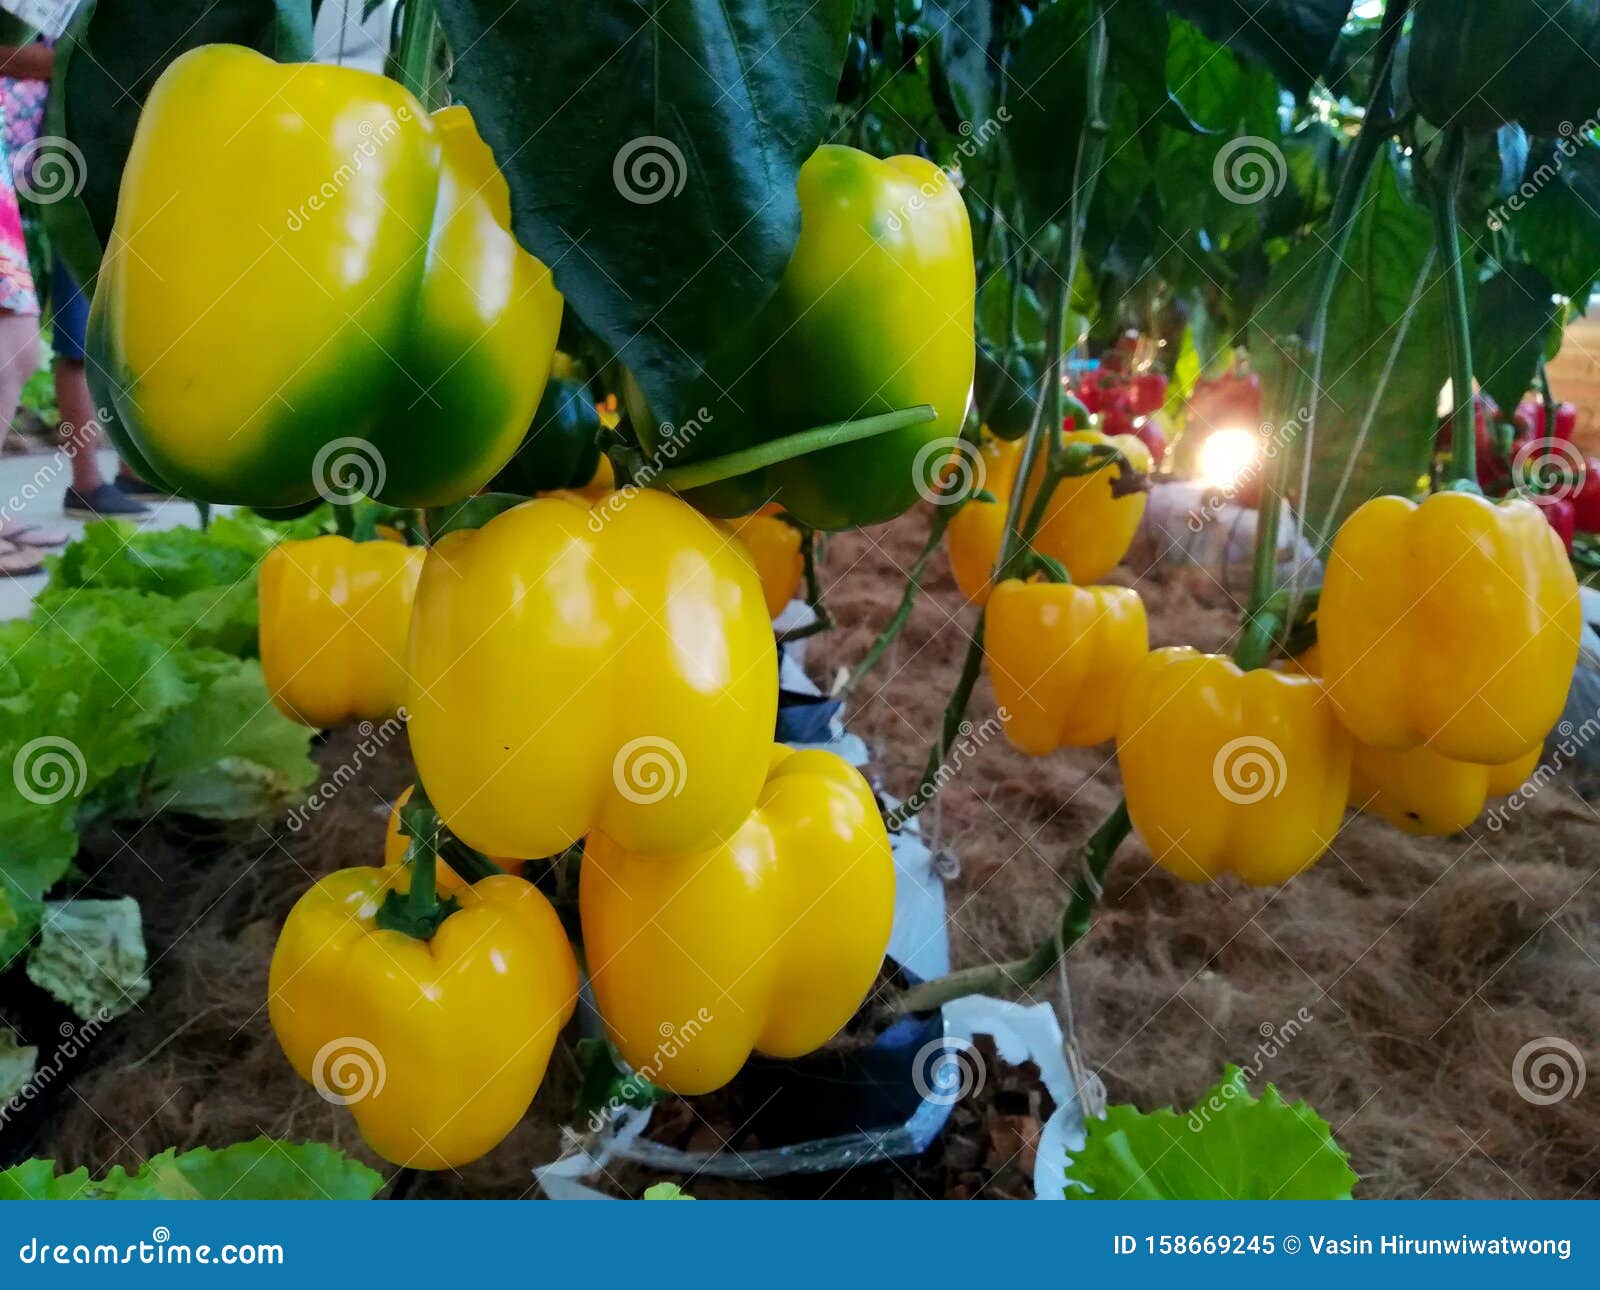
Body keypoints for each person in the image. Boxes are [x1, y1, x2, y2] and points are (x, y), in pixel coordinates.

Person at [0, 32, 146, 577]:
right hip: (35, 172)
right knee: (18, 351)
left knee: (18, 351)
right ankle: (86, 482)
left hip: (23, 171)